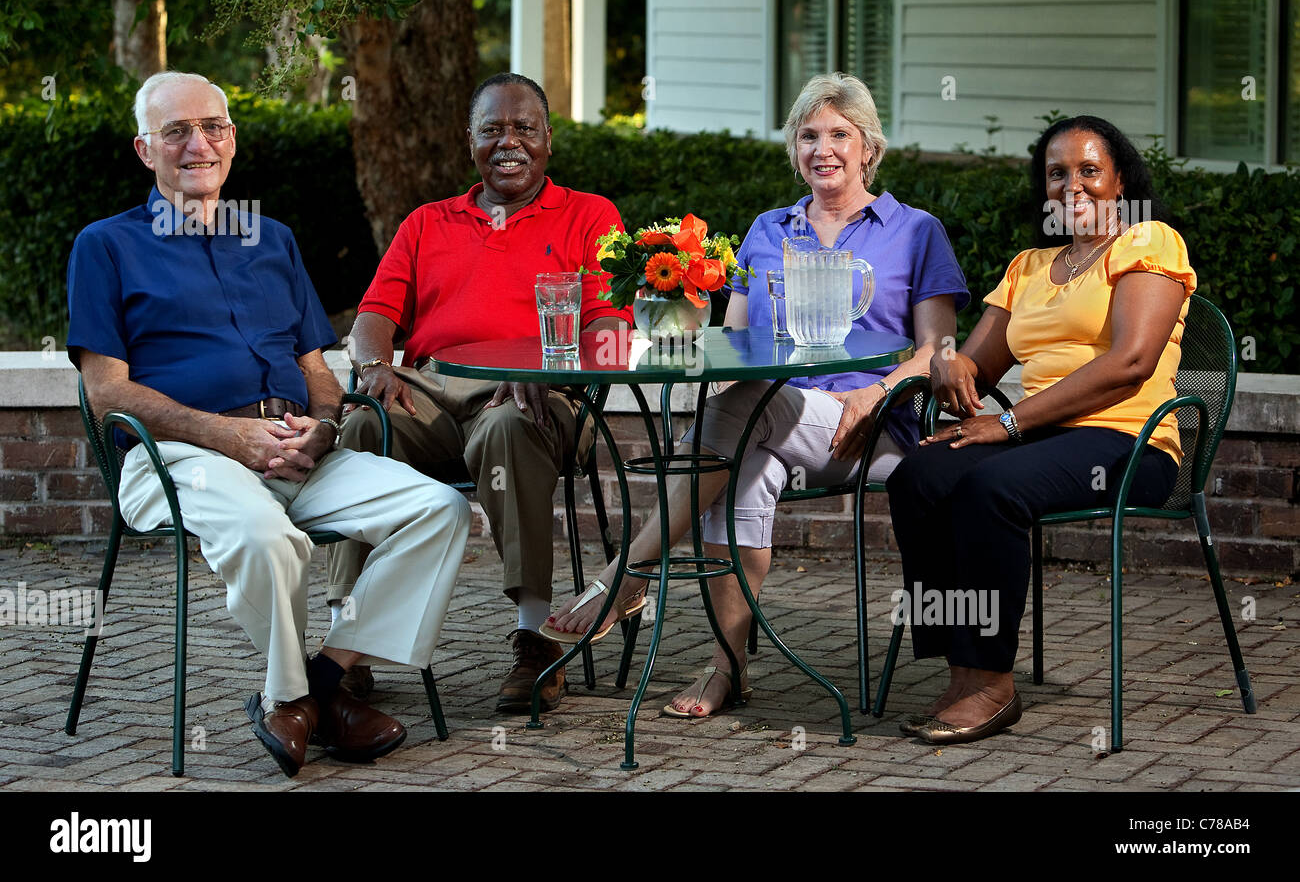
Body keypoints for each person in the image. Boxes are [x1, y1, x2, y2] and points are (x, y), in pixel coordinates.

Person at [66, 71, 472, 778]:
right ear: (144, 150)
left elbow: (316, 367)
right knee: (266, 538)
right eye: (176, 131)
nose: (199, 144)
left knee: (437, 509)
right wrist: (227, 436)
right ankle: (299, 697)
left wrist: (323, 426)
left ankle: (315, 686)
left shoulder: (272, 239)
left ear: (233, 137)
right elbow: (107, 394)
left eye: (214, 127)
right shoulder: (105, 247)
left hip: (293, 450)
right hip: (179, 458)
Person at [545, 72, 969, 718]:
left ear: (868, 147)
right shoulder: (769, 230)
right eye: (807, 135)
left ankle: (626, 576)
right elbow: (737, 345)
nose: (822, 148)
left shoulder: (914, 230)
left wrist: (873, 393)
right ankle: (727, 667)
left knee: (738, 421)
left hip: (874, 429)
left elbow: (935, 352)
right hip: (774, 418)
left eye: (838, 134)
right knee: (739, 462)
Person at [885, 115, 1194, 745]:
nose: (1072, 186)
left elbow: (1131, 363)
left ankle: (993, 683)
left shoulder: (1148, 243)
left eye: (1089, 170)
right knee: (919, 474)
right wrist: (947, 360)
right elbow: (980, 361)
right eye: (1057, 174)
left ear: (1120, 180)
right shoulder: (1029, 266)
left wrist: (1006, 422)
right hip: (1038, 437)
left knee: (991, 488)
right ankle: (962, 665)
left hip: (1127, 441)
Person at [330, 72, 632, 714]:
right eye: (493, 129)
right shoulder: (426, 223)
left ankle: (533, 638)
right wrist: (373, 368)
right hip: (433, 393)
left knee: (506, 429)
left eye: (524, 128)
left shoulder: (591, 215)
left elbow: (609, 324)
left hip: (540, 398)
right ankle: (345, 637)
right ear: (470, 141)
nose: (509, 142)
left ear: (548, 139)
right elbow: (372, 317)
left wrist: (553, 369)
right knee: (362, 425)